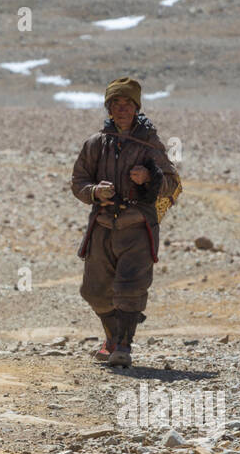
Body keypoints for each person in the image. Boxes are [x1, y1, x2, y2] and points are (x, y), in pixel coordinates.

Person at [70, 77, 179, 367]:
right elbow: (78, 181)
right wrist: (94, 192)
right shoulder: (95, 144)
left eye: (127, 104)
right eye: (116, 104)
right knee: (94, 292)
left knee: (130, 289)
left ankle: (124, 347)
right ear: (108, 107)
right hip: (102, 227)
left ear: (136, 107)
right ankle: (112, 337)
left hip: (136, 228)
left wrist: (149, 178)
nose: (121, 109)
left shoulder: (150, 145)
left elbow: (171, 182)